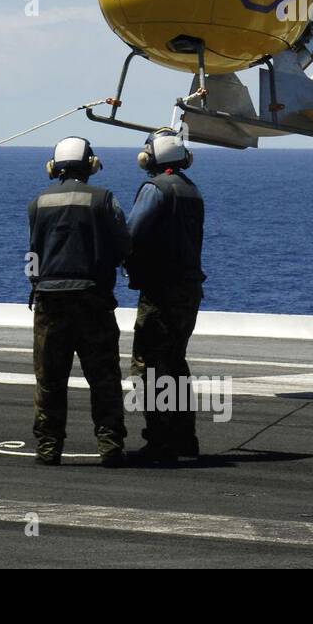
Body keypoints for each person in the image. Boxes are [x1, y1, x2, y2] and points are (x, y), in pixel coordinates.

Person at [27, 136, 131, 466]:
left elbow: (32, 253)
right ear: (91, 165)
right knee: (103, 377)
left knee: (49, 378)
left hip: (49, 301)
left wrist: (37, 283)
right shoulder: (104, 200)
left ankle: (48, 447)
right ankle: (110, 445)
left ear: (54, 168)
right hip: (93, 300)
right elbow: (123, 245)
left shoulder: (39, 202)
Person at [125, 127, 206, 463]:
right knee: (175, 363)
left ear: (150, 157)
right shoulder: (191, 189)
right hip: (189, 289)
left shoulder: (154, 188)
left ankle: (159, 440)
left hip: (160, 290)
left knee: (148, 366)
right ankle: (184, 436)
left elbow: (131, 233)